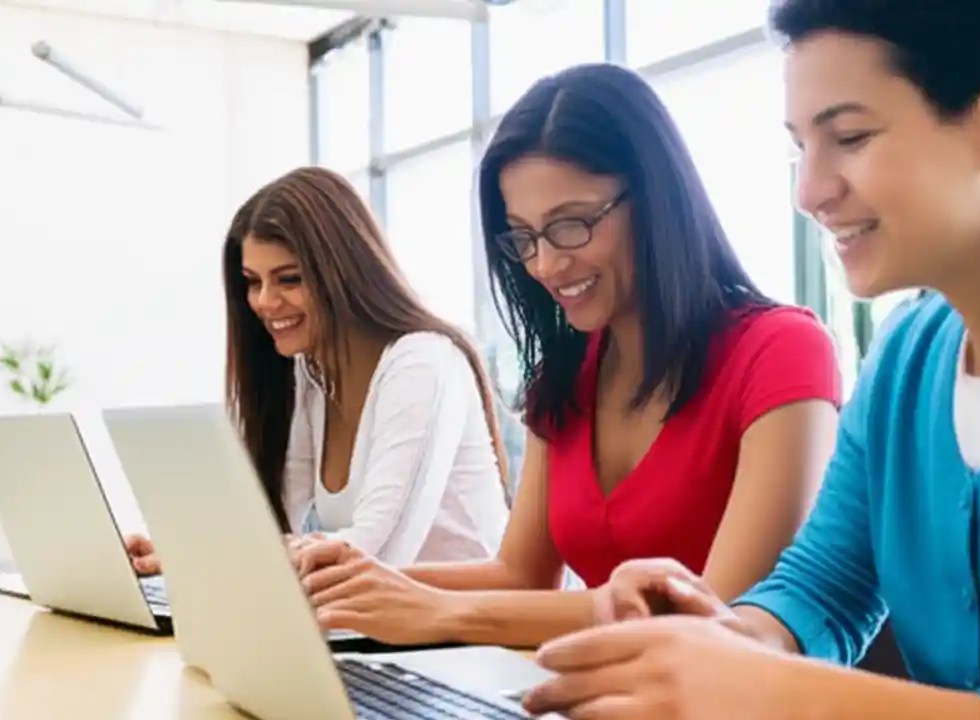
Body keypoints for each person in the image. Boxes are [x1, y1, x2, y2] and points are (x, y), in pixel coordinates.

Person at [521, 1, 980, 718]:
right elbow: (822, 589)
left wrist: (771, 690)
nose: (810, 191)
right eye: (800, 148)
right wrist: (716, 635)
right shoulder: (907, 361)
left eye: (849, 137)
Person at [292, 62, 842, 648]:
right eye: (523, 237)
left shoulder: (781, 351)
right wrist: (350, 582)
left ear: (657, 198)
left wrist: (446, 614)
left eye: (572, 225)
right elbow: (520, 575)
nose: (545, 265)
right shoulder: (566, 376)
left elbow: (720, 615)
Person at [125, 167, 510, 576]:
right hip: (373, 626)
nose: (264, 302)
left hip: (461, 634)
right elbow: (280, 526)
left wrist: (213, 558)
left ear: (343, 272)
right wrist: (185, 552)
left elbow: (376, 556)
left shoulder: (423, 361)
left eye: (288, 279)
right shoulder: (312, 372)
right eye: (252, 282)